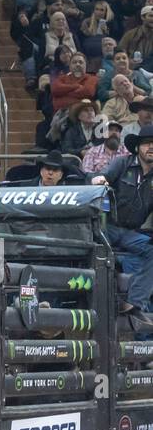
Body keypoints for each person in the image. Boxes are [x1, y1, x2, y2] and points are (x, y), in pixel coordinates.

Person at [91, 123, 153, 333]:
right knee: (95, 251)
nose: (151, 147)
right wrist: (100, 180)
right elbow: (101, 178)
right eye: (147, 144)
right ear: (138, 148)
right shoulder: (122, 163)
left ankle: (135, 302)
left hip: (131, 233)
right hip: (106, 225)